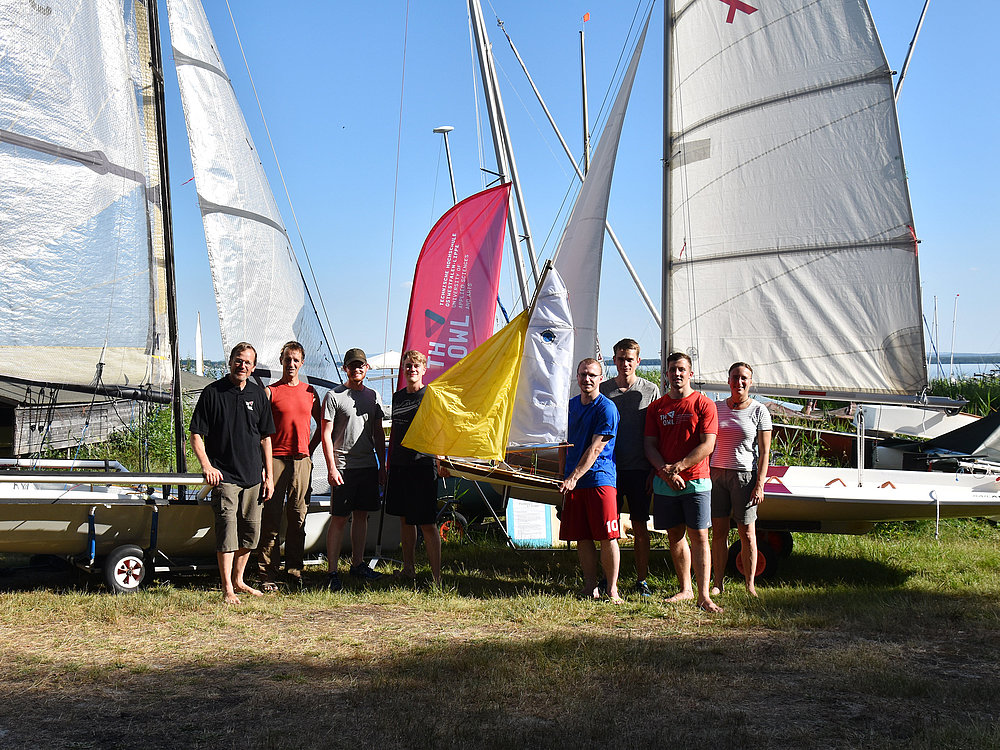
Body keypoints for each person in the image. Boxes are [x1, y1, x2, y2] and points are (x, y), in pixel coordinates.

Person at [190, 342, 275, 604]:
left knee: (251, 534)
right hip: (225, 477)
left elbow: (265, 439)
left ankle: (239, 580)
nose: (242, 366)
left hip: (253, 478)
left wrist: (269, 476)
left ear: (253, 367)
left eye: (248, 362)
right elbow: (195, 434)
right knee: (227, 533)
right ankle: (227, 587)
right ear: (230, 362)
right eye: (239, 360)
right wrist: (206, 465)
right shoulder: (212, 393)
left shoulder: (258, 394)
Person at [644, 352, 721, 612]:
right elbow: (650, 445)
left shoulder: (703, 404)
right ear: (666, 374)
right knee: (674, 534)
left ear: (690, 373)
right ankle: (685, 589)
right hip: (665, 483)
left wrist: (679, 467)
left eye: (681, 370)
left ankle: (703, 595)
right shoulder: (657, 407)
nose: (676, 374)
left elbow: (707, 444)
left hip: (696, 481)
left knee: (699, 535)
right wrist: (666, 473)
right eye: (672, 370)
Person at [256, 341, 322, 591]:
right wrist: (265, 465)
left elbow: (322, 426)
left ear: (301, 362)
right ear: (281, 361)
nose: (291, 364)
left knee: (297, 519)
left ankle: (294, 571)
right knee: (271, 519)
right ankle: (267, 574)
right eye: (287, 359)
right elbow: (260, 431)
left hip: (301, 461)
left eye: (295, 360)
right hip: (276, 460)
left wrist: (311, 448)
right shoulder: (271, 392)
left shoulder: (310, 392)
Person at [320, 347, 387, 590]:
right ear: (345, 368)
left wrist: (382, 465)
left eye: (361, 365)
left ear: (366, 368)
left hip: (368, 465)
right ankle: (332, 572)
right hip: (343, 467)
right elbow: (325, 435)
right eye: (352, 365)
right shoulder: (334, 396)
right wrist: (331, 468)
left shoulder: (373, 396)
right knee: (339, 519)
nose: (357, 369)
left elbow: (378, 433)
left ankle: (358, 565)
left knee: (362, 516)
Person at [600, 338, 660, 597]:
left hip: (639, 469)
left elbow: (657, 431)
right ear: (614, 360)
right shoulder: (602, 389)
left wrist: (654, 469)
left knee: (639, 527)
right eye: (621, 358)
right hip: (609, 468)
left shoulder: (650, 390)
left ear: (638, 360)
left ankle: (641, 579)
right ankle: (608, 580)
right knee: (608, 528)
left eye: (630, 359)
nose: (625, 363)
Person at [559, 358, 622, 604]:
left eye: (592, 375)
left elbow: (596, 448)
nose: (587, 379)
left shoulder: (606, 408)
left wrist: (573, 477)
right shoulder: (570, 406)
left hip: (599, 479)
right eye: (583, 374)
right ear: (577, 377)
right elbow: (563, 444)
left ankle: (612, 590)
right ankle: (590, 587)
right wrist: (563, 475)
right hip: (574, 483)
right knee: (582, 536)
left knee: (607, 536)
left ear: (601, 378)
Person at [710, 362, 772, 597]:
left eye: (744, 378)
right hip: (716, 473)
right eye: (735, 377)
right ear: (728, 381)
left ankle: (750, 585)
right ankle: (717, 583)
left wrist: (760, 484)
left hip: (744, 477)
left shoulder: (759, 411)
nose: (739, 382)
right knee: (719, 532)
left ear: (751, 382)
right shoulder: (716, 408)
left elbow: (765, 452)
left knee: (747, 533)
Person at [384, 350, 442, 586]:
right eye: (408, 366)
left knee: (427, 523)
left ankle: (437, 578)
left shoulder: (431, 396)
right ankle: (409, 570)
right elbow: (396, 432)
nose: (412, 369)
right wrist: (388, 464)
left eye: (416, 366)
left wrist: (441, 461)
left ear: (424, 369)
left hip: (423, 465)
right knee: (405, 521)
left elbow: (440, 430)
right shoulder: (397, 398)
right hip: (399, 465)